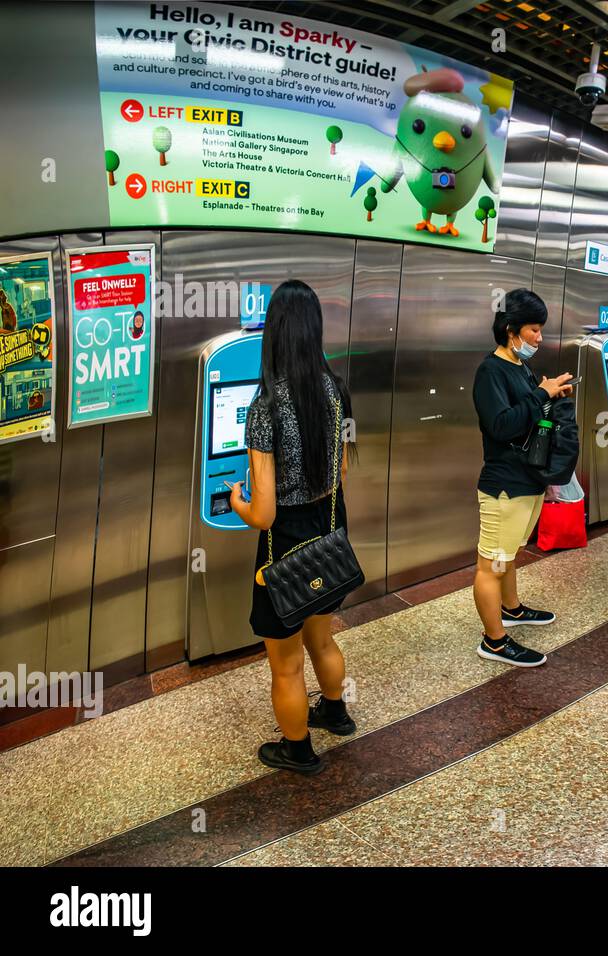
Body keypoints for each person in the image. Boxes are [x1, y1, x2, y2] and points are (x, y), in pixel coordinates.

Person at [232, 280, 358, 776]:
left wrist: (240, 501)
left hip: (282, 541)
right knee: (321, 639)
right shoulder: (336, 391)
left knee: (286, 663)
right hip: (329, 530)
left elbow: (263, 515)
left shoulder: (263, 409)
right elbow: (342, 470)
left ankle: (298, 749)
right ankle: (336, 711)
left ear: (275, 332)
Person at [471, 288, 572, 667]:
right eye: (533, 329)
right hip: (504, 483)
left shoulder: (521, 367)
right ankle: (493, 641)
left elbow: (530, 415)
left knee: (508, 554)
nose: (539, 338)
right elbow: (500, 426)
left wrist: (548, 393)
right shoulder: (490, 371)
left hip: (528, 478)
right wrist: (539, 395)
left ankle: (511, 609)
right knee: (492, 564)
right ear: (511, 329)